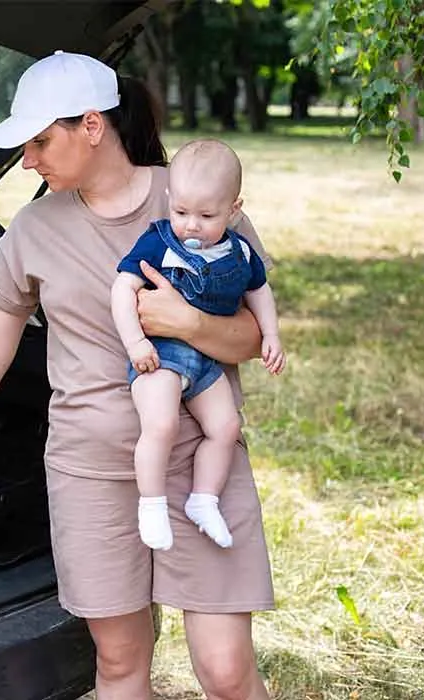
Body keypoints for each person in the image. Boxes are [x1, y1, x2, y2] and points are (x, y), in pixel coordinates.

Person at [0, 50, 274, 700]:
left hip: (195, 470)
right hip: (89, 478)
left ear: (91, 126)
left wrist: (185, 322)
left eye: (41, 142)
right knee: (121, 667)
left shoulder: (190, 200)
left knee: (226, 670)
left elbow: (253, 337)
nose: (29, 161)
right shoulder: (33, 231)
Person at [111, 138, 286, 552]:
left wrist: (272, 335)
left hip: (207, 362)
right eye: (181, 212)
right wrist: (135, 342)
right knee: (162, 424)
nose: (190, 225)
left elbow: (260, 292)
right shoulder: (158, 243)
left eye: (207, 215)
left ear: (234, 210)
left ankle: (203, 500)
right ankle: (151, 505)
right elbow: (122, 289)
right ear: (169, 200)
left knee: (226, 427)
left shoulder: (240, 251)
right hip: (160, 355)